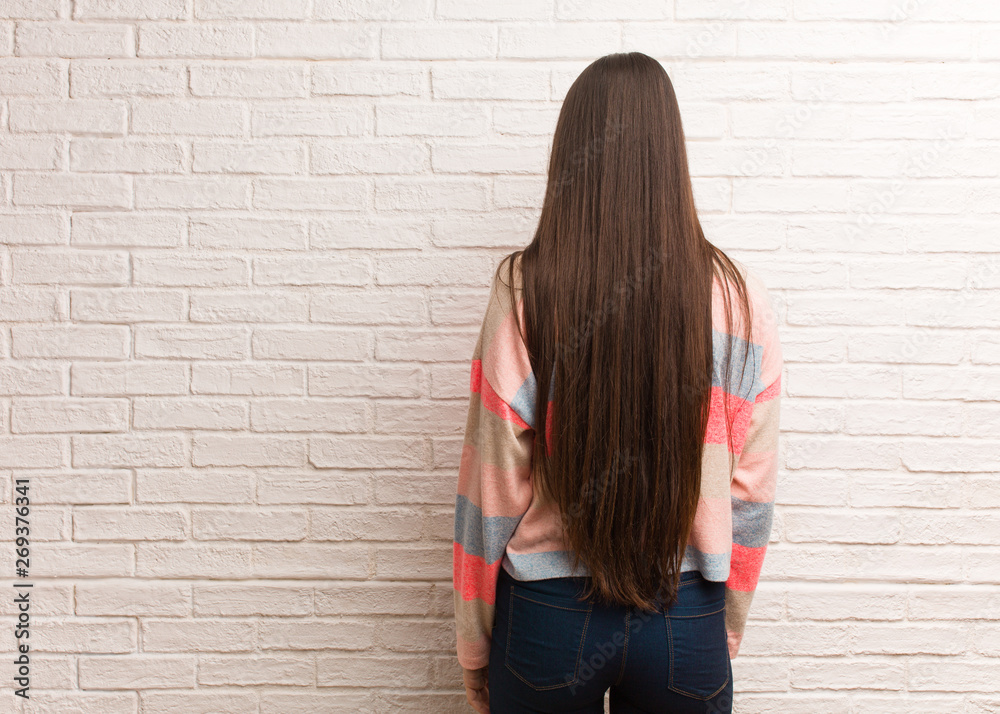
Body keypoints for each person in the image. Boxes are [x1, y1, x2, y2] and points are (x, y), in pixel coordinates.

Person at [452, 51, 782, 713]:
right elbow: (751, 487)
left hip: (548, 619)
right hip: (683, 615)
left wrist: (474, 644)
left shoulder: (524, 291)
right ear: (671, 155)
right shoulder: (736, 299)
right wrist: (727, 621)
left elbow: (491, 486)